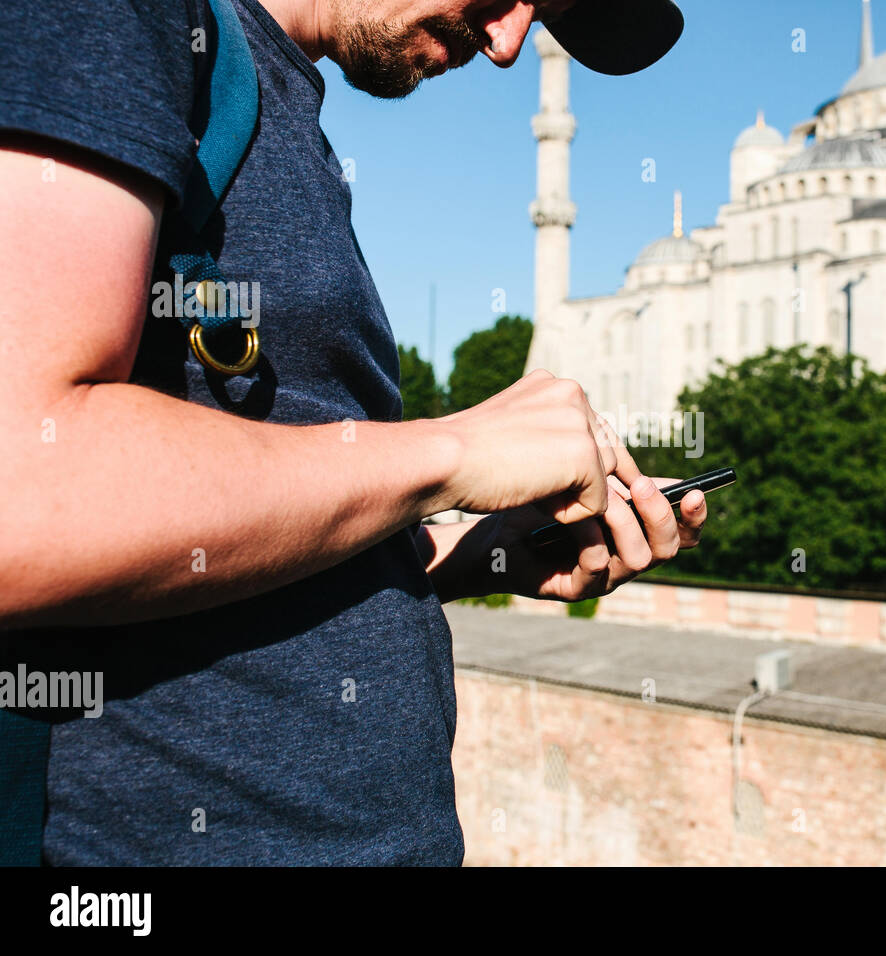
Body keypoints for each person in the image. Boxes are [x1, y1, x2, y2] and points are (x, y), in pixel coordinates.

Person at [0, 0, 703, 865]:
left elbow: (249, 531)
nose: (511, 44)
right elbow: (21, 495)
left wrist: (471, 551)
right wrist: (453, 452)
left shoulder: (279, 108)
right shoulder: (113, 17)